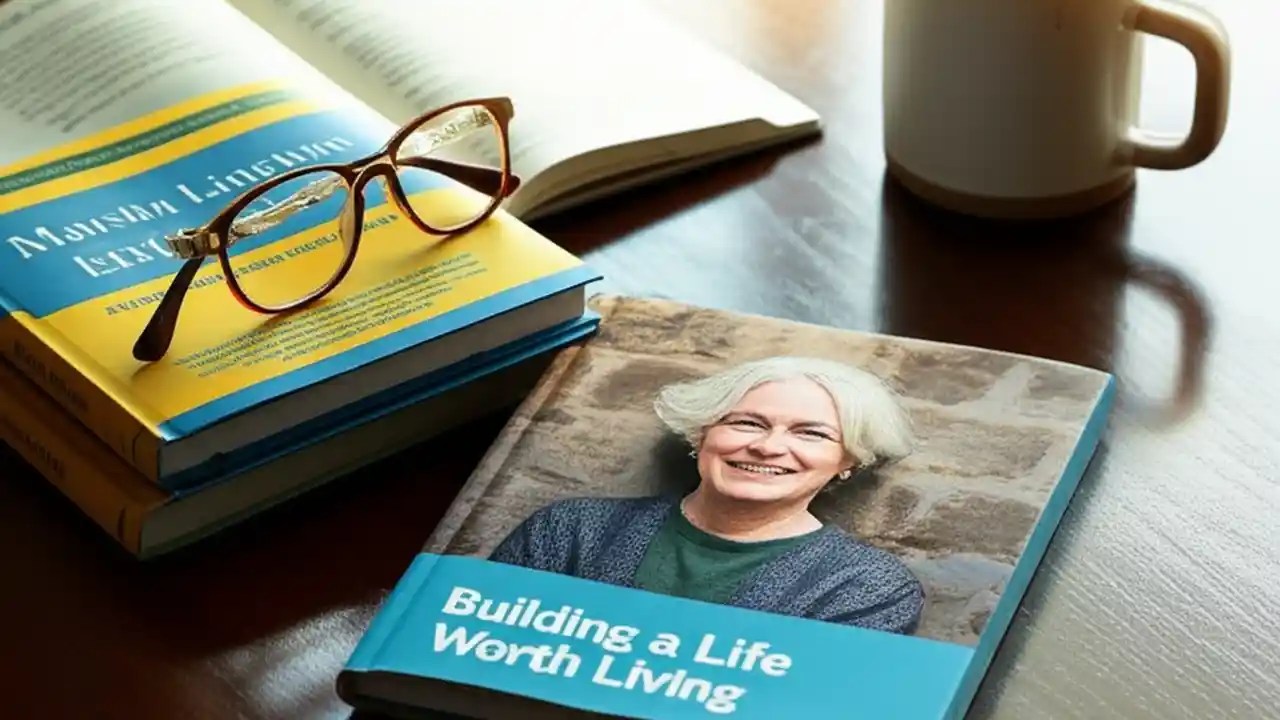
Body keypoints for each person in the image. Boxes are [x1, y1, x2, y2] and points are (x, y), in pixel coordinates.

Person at [488, 355, 925, 635]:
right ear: (702, 433)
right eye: (747, 423)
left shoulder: (871, 587)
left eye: (811, 433)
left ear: (849, 461)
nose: (768, 447)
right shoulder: (571, 529)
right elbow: (471, 645)